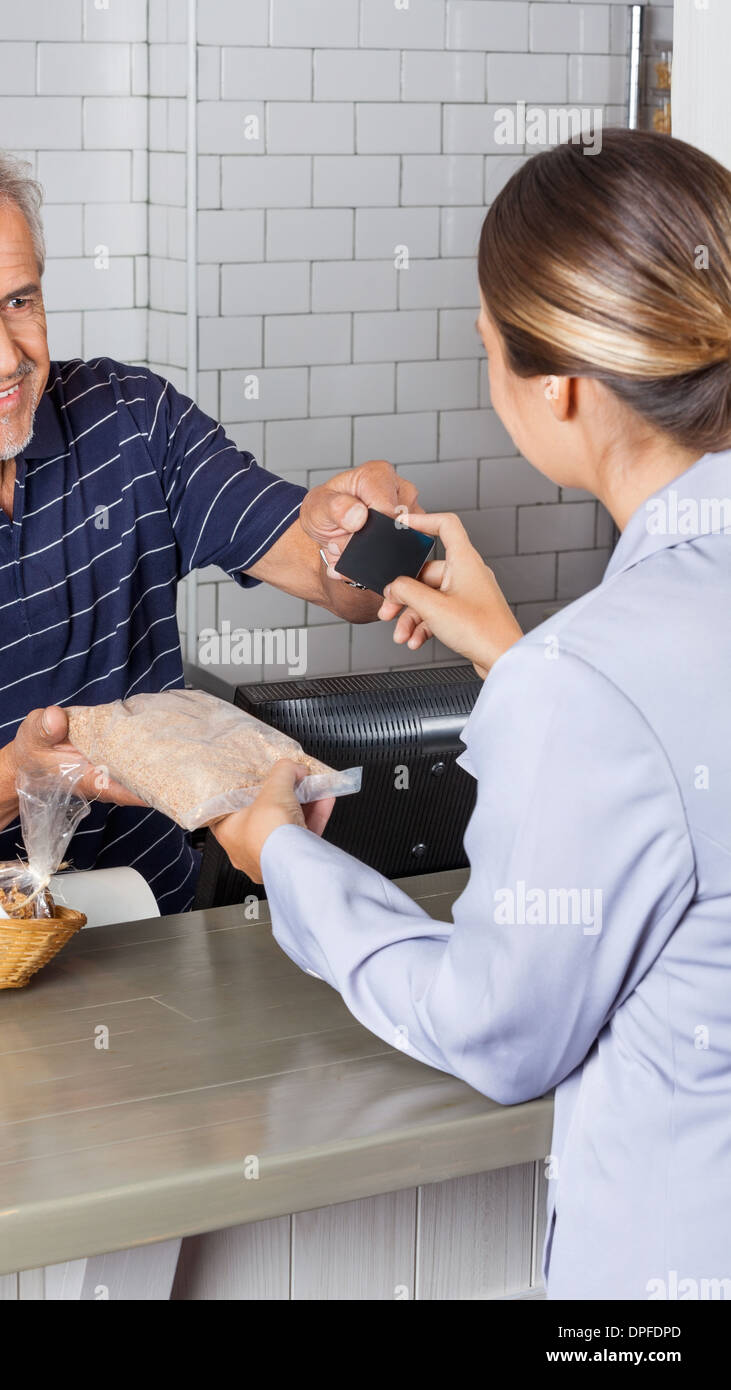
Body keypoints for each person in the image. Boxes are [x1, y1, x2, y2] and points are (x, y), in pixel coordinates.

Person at [212, 129, 731, 1300]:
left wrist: (278, 854)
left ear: (559, 386)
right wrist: (515, 653)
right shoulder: (600, 665)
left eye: (488, 348)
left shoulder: (595, 680)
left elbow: (499, 1032)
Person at [0, 119, 419, 970]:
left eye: (20, 300)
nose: (3, 354)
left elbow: (343, 582)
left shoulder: (128, 421)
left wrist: (368, 535)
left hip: (142, 951)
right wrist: (32, 771)